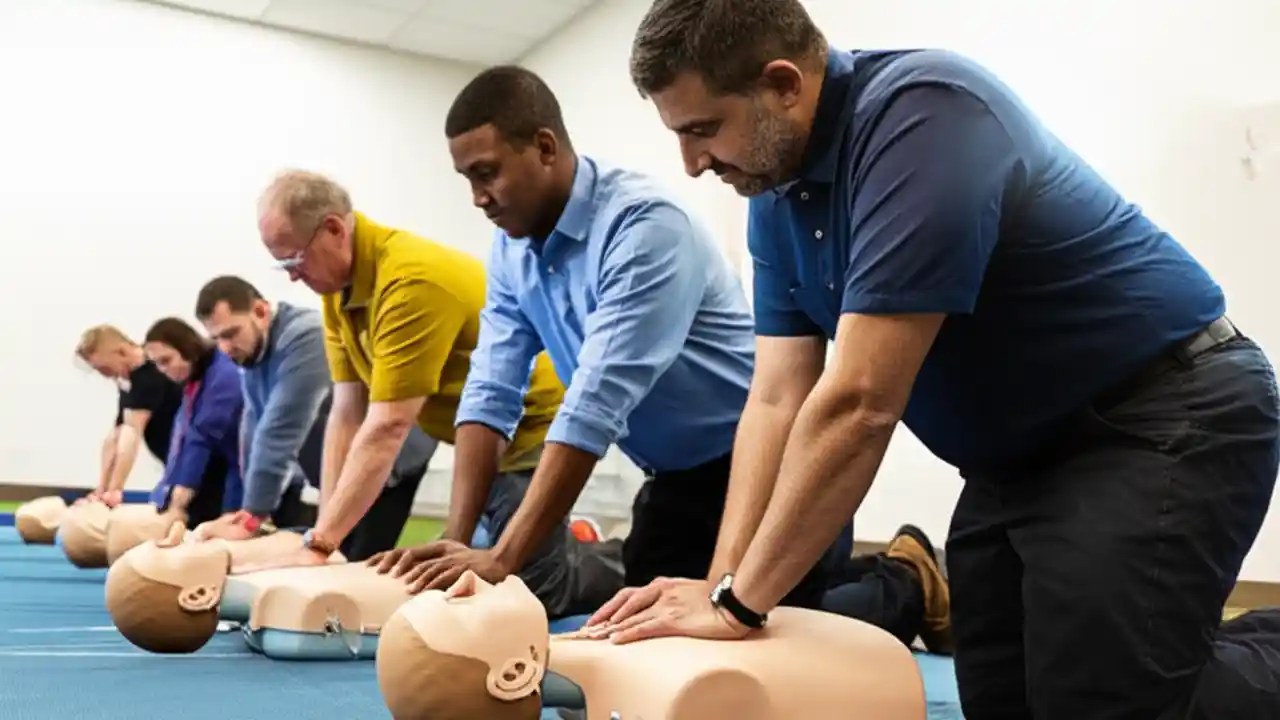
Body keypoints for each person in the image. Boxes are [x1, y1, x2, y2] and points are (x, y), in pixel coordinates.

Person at [599, 1, 1280, 718]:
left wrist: (739, 603)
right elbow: (775, 400)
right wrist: (720, 587)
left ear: (784, 83)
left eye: (703, 129)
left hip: (1162, 414)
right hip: (1013, 461)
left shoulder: (925, 115)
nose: (693, 162)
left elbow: (862, 402)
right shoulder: (775, 199)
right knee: (1001, 699)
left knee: (1099, 698)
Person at [410, 63, 950, 652]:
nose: (478, 198)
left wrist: (505, 557)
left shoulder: (643, 227)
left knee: (768, 634)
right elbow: (490, 391)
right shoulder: (511, 253)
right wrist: (459, 547)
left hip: (762, 458)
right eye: (466, 178)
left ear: (543, 148)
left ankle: (904, 581)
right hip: (672, 477)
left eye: (487, 174)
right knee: (643, 638)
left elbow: (594, 404)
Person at [251, 169, 623, 618]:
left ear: (333, 229)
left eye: (294, 261)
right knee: (463, 569)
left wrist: (322, 540)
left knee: (535, 594)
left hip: (531, 427)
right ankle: (562, 541)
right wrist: (326, 539)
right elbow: (346, 414)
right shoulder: (337, 290)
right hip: (478, 437)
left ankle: (626, 555)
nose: (293, 278)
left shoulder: (409, 280)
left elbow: (388, 425)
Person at [190, 274, 438, 560]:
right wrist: (248, 511)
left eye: (231, 333)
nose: (224, 347)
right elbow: (253, 424)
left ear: (260, 311)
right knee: (328, 555)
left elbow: (278, 430)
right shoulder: (252, 354)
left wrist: (253, 517)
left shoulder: (305, 337)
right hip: (339, 466)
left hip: (388, 457)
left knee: (355, 562)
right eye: (217, 338)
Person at [142, 317, 244, 529]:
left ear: (187, 348)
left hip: (244, 472)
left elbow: (201, 437)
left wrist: (178, 501)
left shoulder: (224, 374)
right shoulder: (194, 381)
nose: (162, 370)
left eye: (166, 361)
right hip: (229, 470)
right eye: (157, 364)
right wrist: (162, 494)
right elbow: (181, 439)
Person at [75, 324, 182, 507]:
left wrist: (115, 490)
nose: (106, 376)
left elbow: (131, 434)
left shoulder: (150, 375)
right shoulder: (128, 377)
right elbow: (116, 435)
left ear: (122, 352)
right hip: (174, 462)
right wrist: (101, 489)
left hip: (195, 463)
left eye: (105, 369)